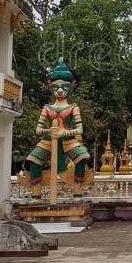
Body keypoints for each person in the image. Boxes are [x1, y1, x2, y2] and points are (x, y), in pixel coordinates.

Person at [26, 58, 91, 200]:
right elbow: (38, 129)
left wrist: (64, 132)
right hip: (49, 139)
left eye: (64, 87)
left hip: (67, 139)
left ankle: (77, 193)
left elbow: (80, 130)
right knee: (33, 160)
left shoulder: (73, 107)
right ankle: (36, 195)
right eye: (56, 87)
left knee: (82, 158)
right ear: (51, 86)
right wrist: (49, 131)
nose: (60, 90)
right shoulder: (47, 108)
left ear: (71, 87)